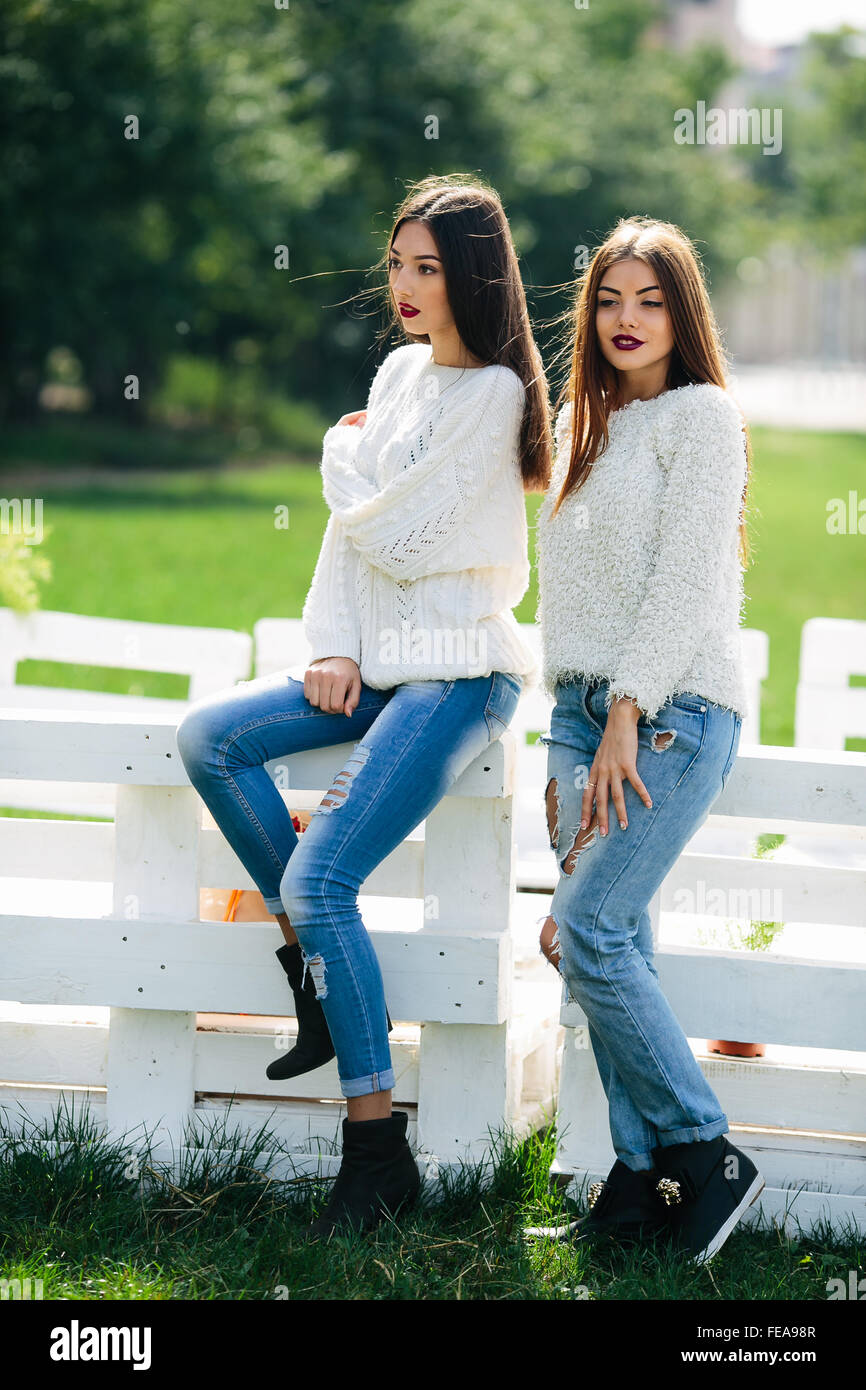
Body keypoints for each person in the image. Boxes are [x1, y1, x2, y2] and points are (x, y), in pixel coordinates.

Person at [175, 173, 551, 1238]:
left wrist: (339, 450)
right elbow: (352, 540)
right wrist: (332, 645)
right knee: (211, 737)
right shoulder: (395, 377)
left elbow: (400, 530)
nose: (403, 286)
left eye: (426, 268)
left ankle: (376, 1152)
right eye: (395, 264)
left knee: (320, 873)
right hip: (377, 664)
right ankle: (310, 971)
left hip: (458, 671)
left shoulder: (496, 399)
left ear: (473, 277)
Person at [532, 214, 764, 1266]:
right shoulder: (583, 423)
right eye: (608, 300)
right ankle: (641, 1178)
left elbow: (684, 578)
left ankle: (703, 1149)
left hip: (667, 709)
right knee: (616, 942)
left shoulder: (701, 418)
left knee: (588, 928)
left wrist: (627, 706)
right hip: (575, 715)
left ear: (681, 312)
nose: (626, 319)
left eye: (649, 299)